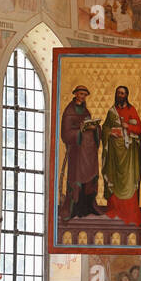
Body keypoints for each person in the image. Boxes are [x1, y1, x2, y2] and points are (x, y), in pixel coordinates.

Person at [101, 85, 141, 226]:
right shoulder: (111, 112)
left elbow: (140, 130)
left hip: (129, 154)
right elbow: (105, 129)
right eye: (118, 93)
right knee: (113, 178)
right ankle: (114, 211)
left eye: (123, 93)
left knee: (129, 181)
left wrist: (128, 127)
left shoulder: (131, 110)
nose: (121, 95)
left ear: (127, 95)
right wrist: (110, 132)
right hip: (114, 153)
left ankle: (130, 213)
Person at [58, 85, 102, 221]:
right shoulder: (69, 111)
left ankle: (89, 205)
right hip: (77, 152)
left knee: (90, 178)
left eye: (84, 94)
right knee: (76, 178)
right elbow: (65, 133)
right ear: (76, 94)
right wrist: (79, 131)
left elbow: (91, 126)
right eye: (80, 94)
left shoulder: (86, 111)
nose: (82, 97)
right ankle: (73, 207)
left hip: (89, 153)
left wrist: (95, 128)